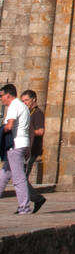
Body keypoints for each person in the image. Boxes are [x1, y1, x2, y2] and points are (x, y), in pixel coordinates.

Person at [0, 83, 32, 215]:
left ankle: (24, 207)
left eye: (1, 96)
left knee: (18, 177)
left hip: (15, 145)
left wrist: (2, 130)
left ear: (8, 95)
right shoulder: (24, 107)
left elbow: (10, 125)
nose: (1, 99)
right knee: (4, 173)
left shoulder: (14, 106)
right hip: (22, 143)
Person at [22, 90, 46, 213]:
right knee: (21, 177)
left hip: (33, 149)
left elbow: (41, 131)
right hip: (27, 149)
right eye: (23, 101)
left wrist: (25, 132)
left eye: (26, 100)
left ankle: (37, 199)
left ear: (34, 99)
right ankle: (24, 204)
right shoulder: (28, 113)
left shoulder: (37, 113)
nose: (25, 103)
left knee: (21, 178)